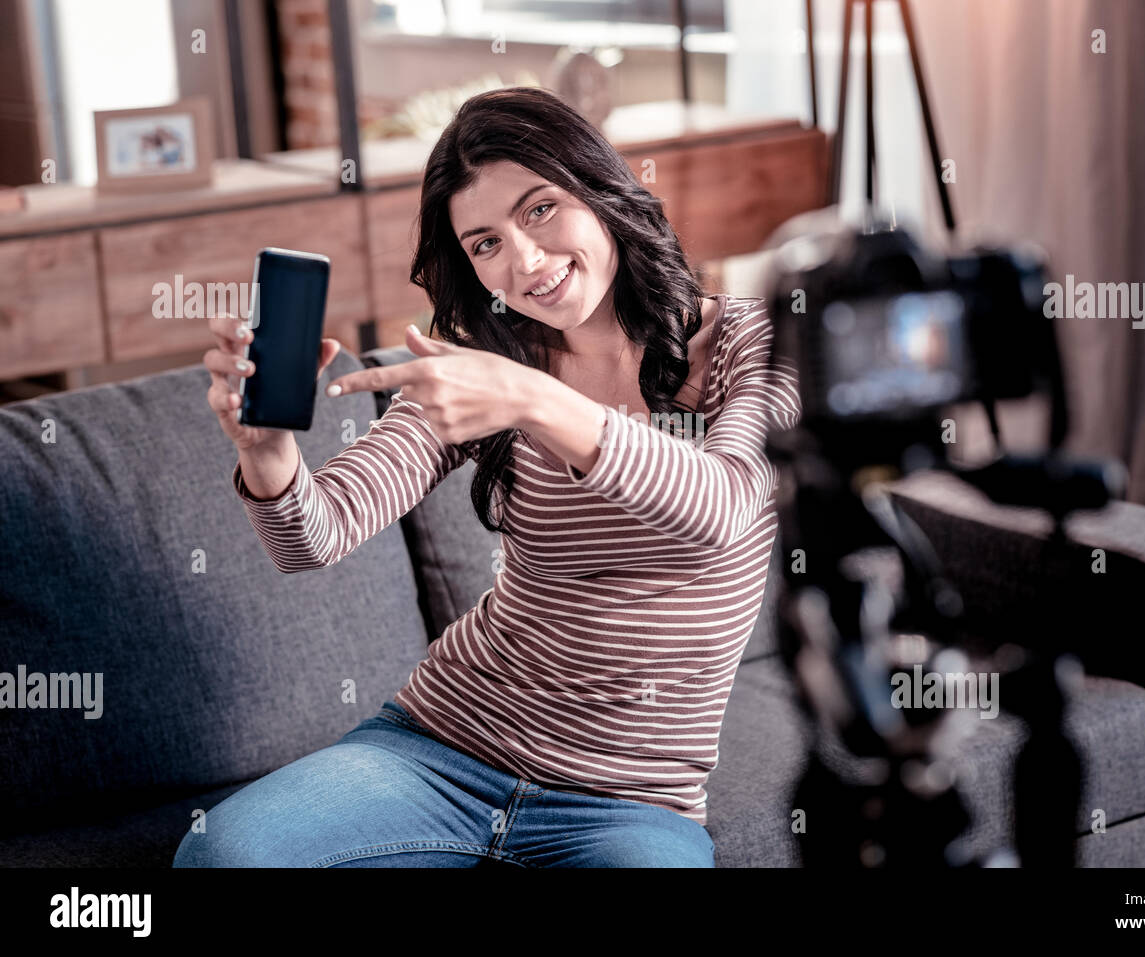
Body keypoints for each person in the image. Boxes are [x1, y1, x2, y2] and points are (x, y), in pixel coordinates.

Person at [178, 86, 800, 868]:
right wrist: (266, 452)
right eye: (485, 244)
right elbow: (316, 535)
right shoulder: (487, 364)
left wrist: (530, 398)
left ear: (599, 189)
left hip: (629, 800)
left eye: (540, 210)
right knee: (223, 855)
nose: (525, 261)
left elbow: (724, 504)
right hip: (441, 748)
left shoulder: (752, 339)